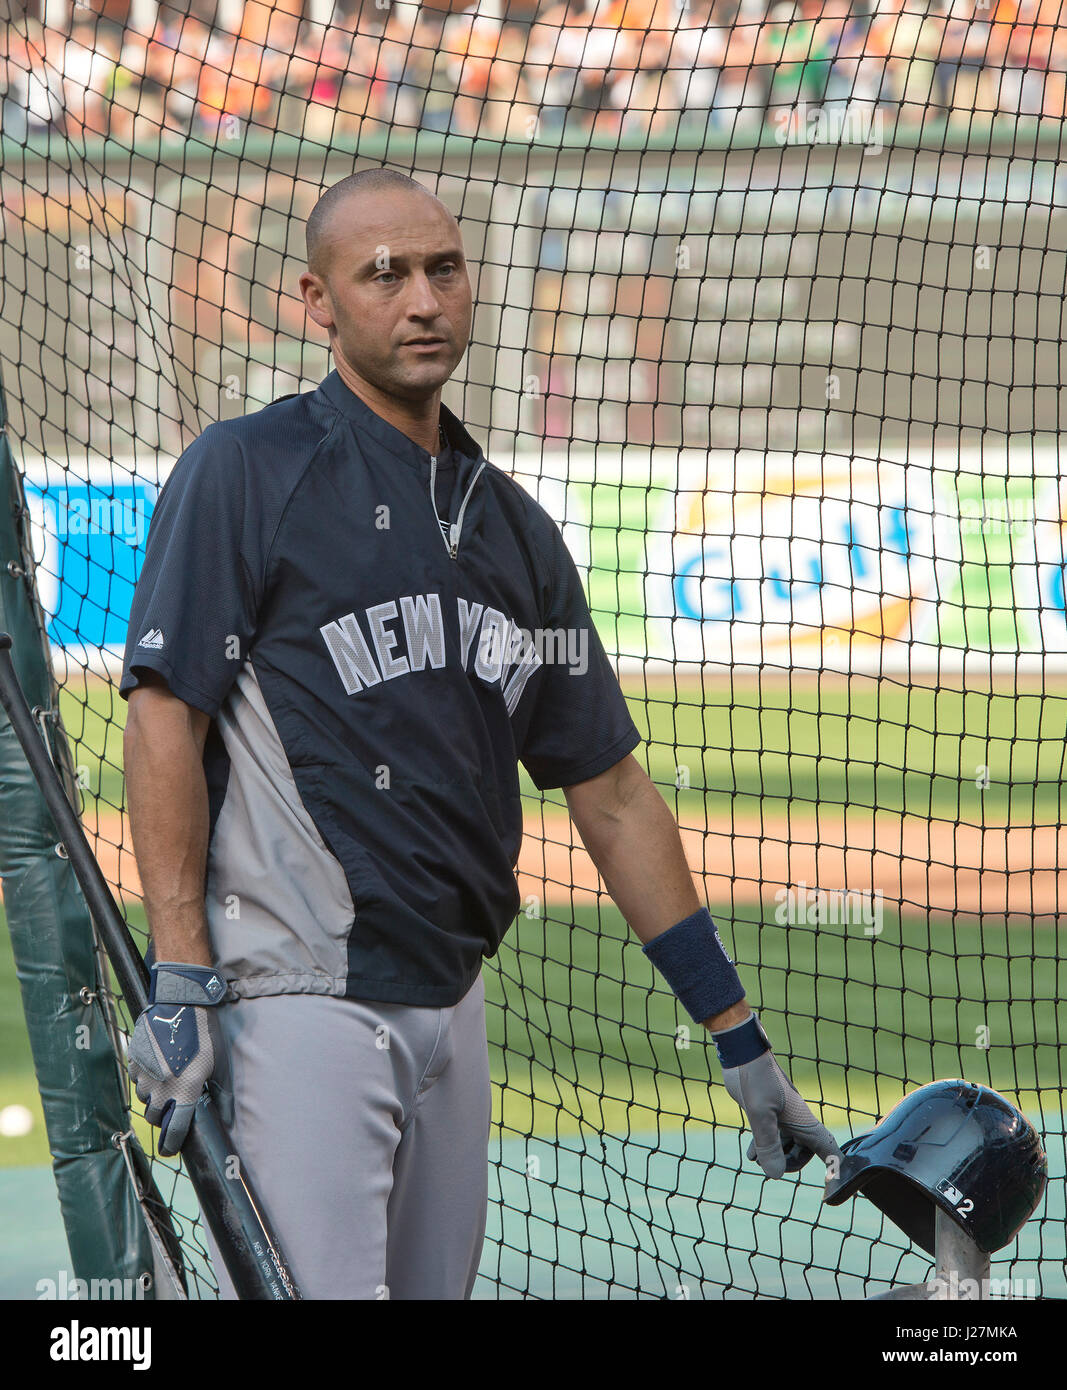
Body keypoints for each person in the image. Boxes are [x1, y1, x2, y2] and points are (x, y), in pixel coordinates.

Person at [120, 167, 839, 1300]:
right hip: (297, 997)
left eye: (443, 269)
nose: (421, 300)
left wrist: (733, 1026)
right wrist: (179, 976)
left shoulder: (514, 530)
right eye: (384, 274)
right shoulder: (247, 469)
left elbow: (607, 791)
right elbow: (166, 715)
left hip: (455, 1006)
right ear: (317, 301)